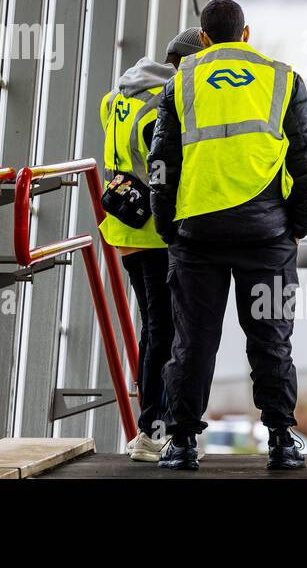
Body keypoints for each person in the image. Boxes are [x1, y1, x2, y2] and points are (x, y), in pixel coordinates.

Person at [148, 0, 307, 471]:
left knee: (193, 342)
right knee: (271, 339)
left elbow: (161, 165)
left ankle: (182, 442)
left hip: (198, 238)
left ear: (202, 38)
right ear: (245, 33)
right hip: (267, 238)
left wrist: (168, 227)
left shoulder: (180, 83)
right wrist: (298, 225)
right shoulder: (283, 79)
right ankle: (282, 441)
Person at [99, 27, 204, 462]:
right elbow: (166, 171)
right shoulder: (165, 104)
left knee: (153, 328)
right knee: (163, 330)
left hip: (123, 230)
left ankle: (151, 426)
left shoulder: (117, 98)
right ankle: (151, 430)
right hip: (154, 233)